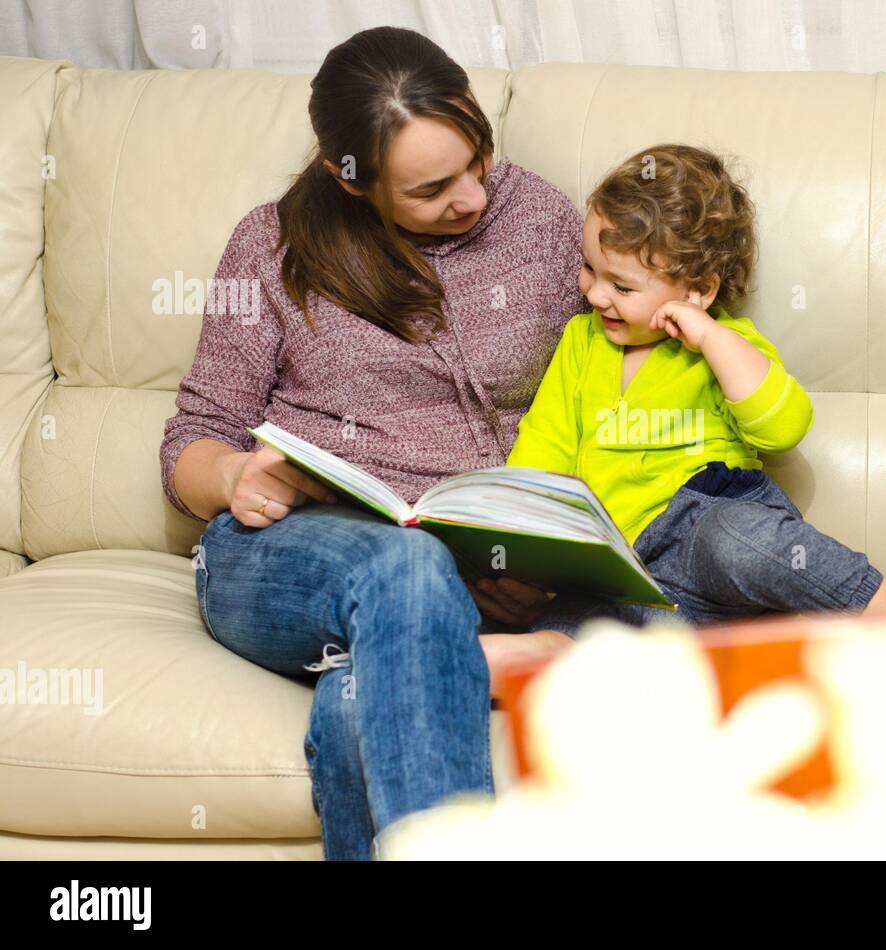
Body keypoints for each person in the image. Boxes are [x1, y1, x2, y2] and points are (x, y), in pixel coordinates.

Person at [161, 26, 578, 860]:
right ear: (348, 181)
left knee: (358, 707)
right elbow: (192, 438)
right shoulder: (270, 246)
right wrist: (236, 474)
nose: (470, 197)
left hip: (470, 569)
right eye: (431, 189)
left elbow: (604, 395)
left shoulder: (543, 221)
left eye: (477, 161)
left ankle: (440, 647)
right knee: (406, 565)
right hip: (280, 556)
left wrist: (534, 546)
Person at [507, 144, 886, 637]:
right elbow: (544, 445)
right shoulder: (582, 341)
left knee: (736, 540)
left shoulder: (727, 345)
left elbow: (783, 427)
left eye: (621, 287)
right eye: (590, 269)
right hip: (626, 568)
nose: (595, 294)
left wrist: (708, 337)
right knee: (572, 626)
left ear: (698, 290)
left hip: (702, 525)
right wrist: (525, 534)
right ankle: (525, 659)